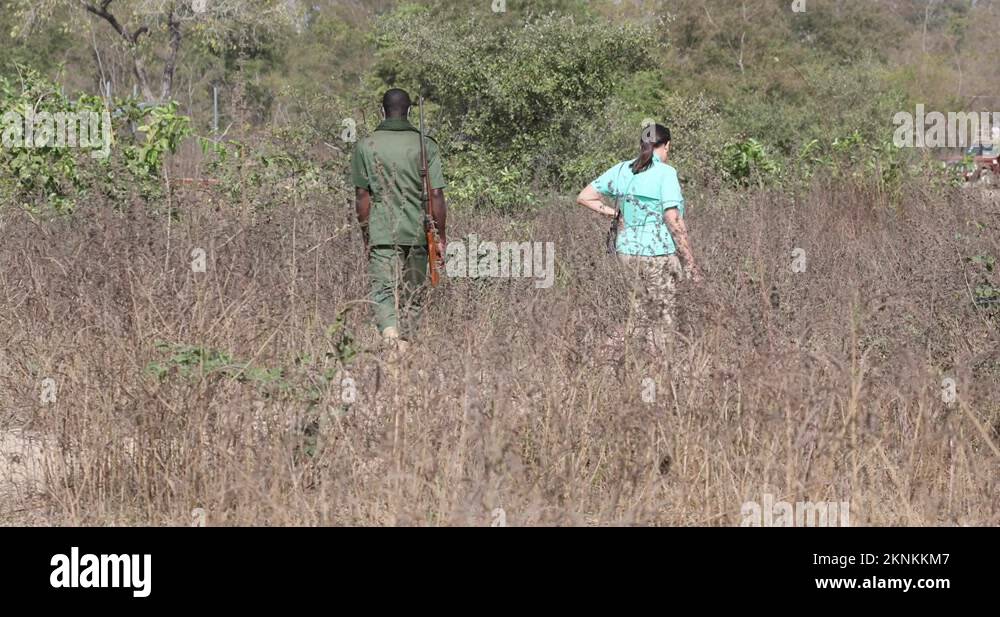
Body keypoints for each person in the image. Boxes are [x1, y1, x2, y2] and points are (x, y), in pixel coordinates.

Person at [575, 123, 701, 351]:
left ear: (642, 144)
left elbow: (585, 196)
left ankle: (605, 356)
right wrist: (690, 263)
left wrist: (615, 213)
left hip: (626, 253)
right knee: (662, 319)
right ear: (667, 146)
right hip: (658, 254)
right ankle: (657, 370)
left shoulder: (623, 169)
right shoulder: (666, 172)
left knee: (640, 315)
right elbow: (672, 218)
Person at [351, 89, 447, 351]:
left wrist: (367, 234)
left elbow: (362, 196)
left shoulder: (364, 145)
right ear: (409, 112)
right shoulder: (425, 144)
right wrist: (441, 237)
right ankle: (402, 349)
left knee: (383, 292)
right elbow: (436, 195)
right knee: (412, 297)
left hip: (382, 233)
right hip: (418, 232)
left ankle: (390, 338)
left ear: (382, 111)